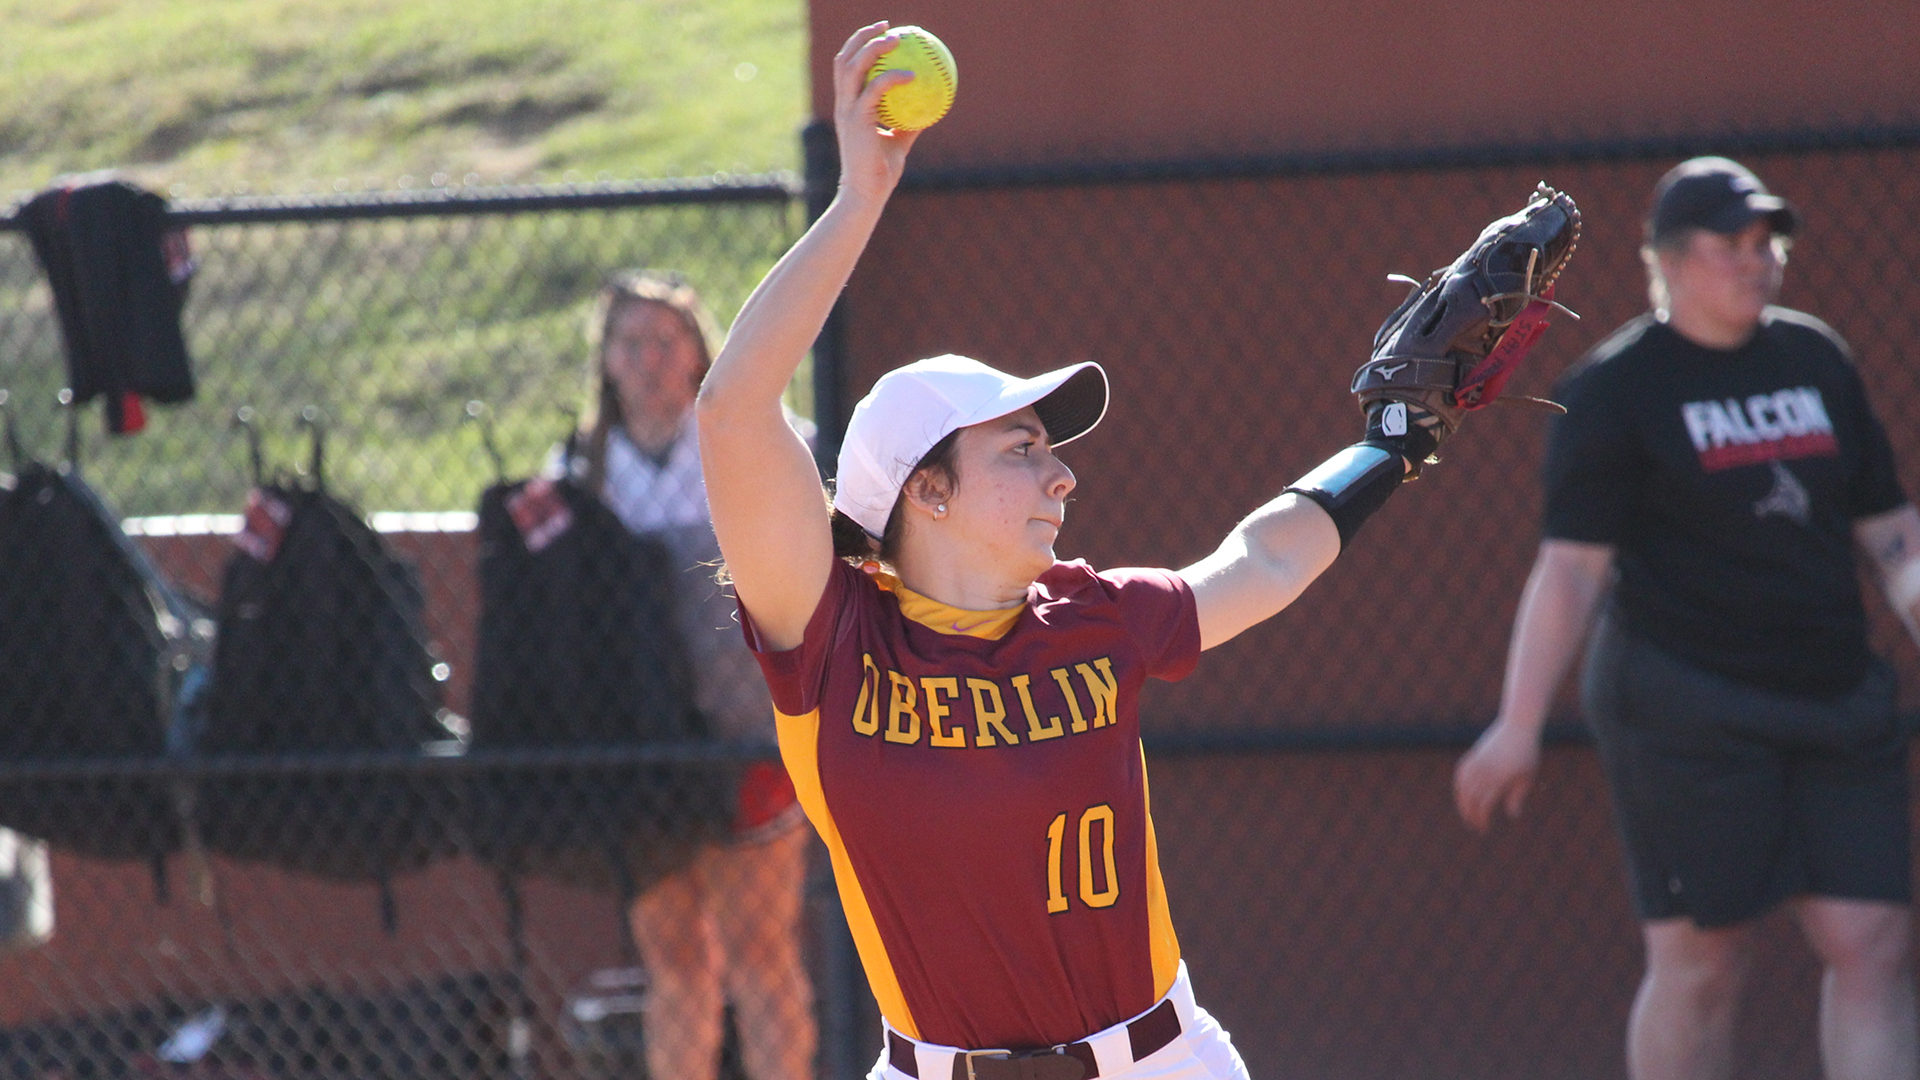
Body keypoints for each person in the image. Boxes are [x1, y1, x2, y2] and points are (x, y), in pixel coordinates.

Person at [694, 23, 1538, 1080]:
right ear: (926, 490)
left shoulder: (1091, 615)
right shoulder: (832, 649)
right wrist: (859, 198)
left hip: (1158, 1062)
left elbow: (1260, 564)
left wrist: (1388, 449)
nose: (1063, 475)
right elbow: (733, 411)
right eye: (1022, 447)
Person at [1454, 157, 1920, 1080]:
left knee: (1870, 945)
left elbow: (1893, 532)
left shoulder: (1814, 356)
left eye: (1766, 243)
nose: (1756, 262)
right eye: (1730, 245)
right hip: (1685, 707)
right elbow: (1571, 571)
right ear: (1668, 259)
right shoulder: (1615, 388)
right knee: (1704, 962)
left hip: (1834, 691)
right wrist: (1517, 724)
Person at [569, 269, 817, 1080]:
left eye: (665, 341)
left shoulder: (761, 441)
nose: (647, 360)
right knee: (674, 957)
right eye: (629, 342)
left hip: (752, 733)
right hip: (651, 748)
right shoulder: (580, 467)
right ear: (605, 360)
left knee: (760, 951)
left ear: (699, 355)